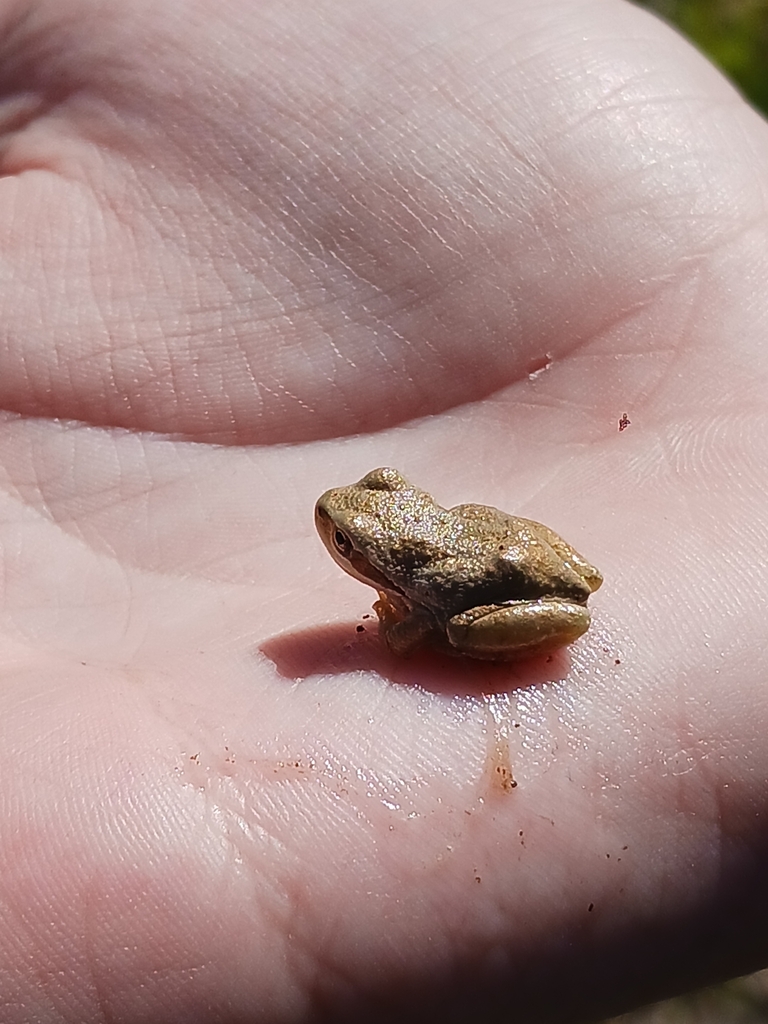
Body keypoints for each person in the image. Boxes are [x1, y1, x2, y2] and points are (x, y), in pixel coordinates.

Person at [1, 0, 766, 1020]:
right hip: (519, 544)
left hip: (509, 584)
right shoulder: (418, 529)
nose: (341, 532)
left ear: (375, 560)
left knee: (453, 618)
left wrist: (414, 626)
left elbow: (436, 603)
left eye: (353, 542)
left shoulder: (406, 582)